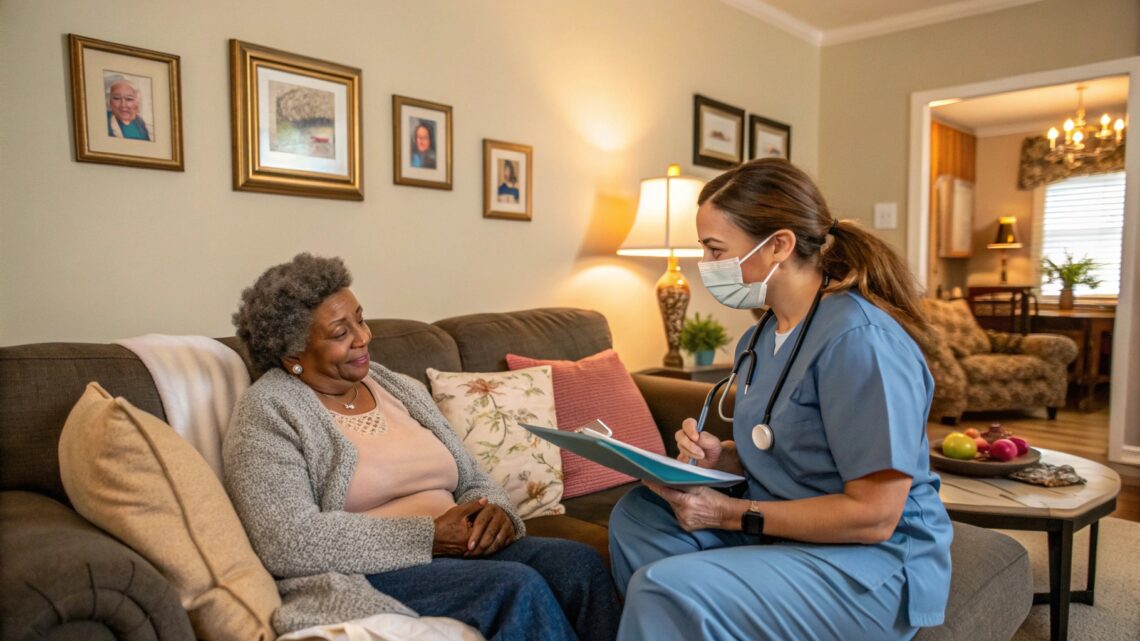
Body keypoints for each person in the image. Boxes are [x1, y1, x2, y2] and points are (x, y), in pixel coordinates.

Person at [608, 158, 951, 641]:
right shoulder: (766, 332)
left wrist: (727, 513)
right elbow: (787, 444)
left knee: (665, 589)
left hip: (871, 563)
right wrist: (722, 457)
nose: (705, 265)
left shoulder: (860, 342)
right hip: (786, 527)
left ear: (779, 246)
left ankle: (681, 603)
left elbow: (874, 515)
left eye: (714, 249)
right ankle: (703, 615)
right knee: (640, 515)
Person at [224, 253, 619, 640]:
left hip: (461, 549)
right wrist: (427, 535)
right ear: (294, 354)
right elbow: (287, 541)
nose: (363, 338)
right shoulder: (269, 410)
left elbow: (471, 475)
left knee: (578, 565)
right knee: (514, 586)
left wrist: (493, 511)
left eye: (360, 319)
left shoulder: (398, 386)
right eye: (341, 333)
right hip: (371, 569)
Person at [105, 75, 153, 141]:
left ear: (137, 102)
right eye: (117, 98)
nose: (123, 105)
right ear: (110, 102)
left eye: (129, 99)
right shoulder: (104, 120)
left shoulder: (139, 122)